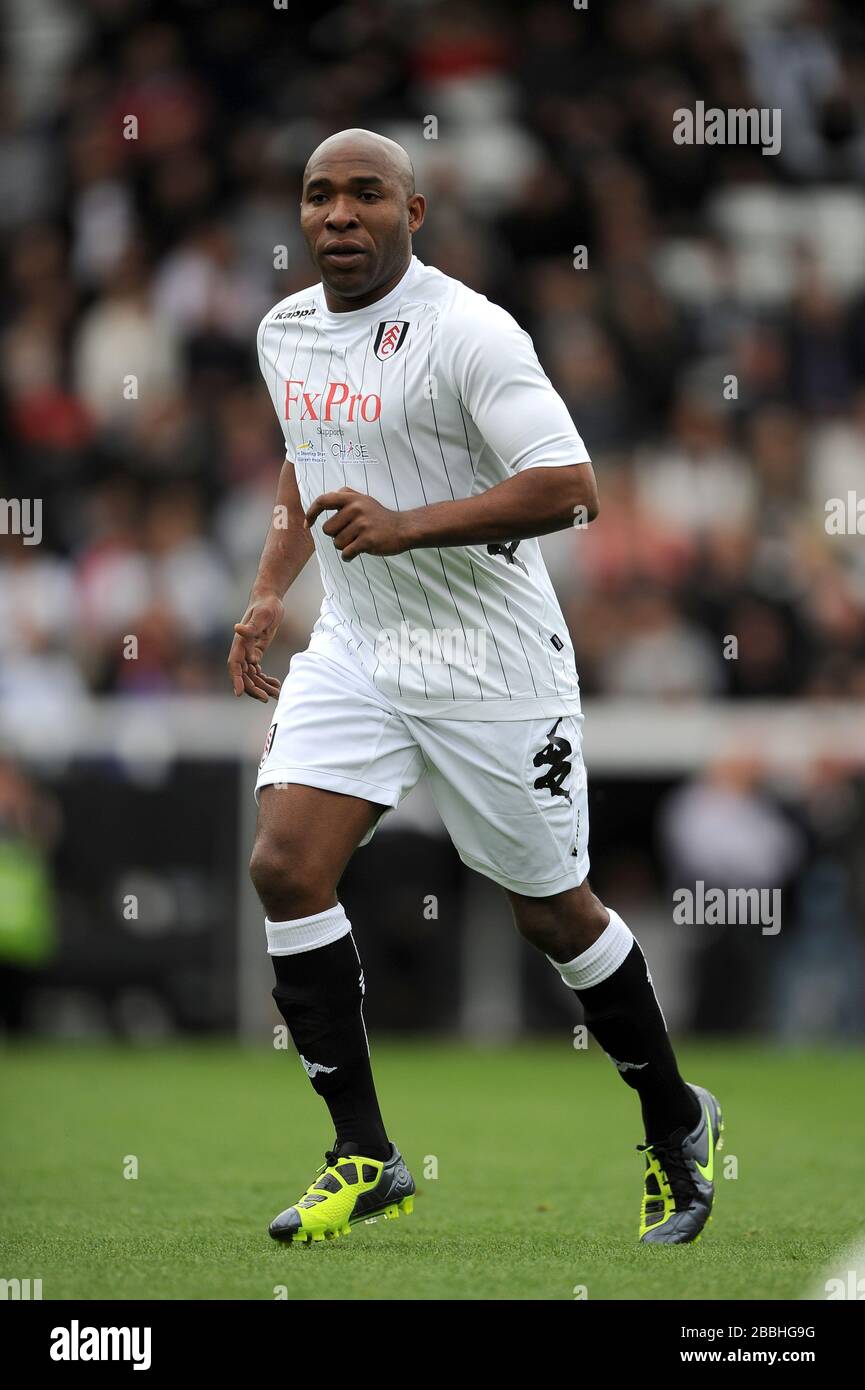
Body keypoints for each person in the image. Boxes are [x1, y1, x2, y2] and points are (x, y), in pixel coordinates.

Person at [228, 128, 723, 1246]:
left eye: (365, 194)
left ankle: (673, 1117)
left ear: (415, 210)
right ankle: (364, 1153)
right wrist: (270, 589)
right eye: (318, 197)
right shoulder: (284, 330)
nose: (338, 216)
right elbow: (303, 460)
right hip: (358, 643)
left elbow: (570, 485)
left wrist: (404, 527)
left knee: (553, 914)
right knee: (284, 865)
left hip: (490, 660)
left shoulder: (469, 333)